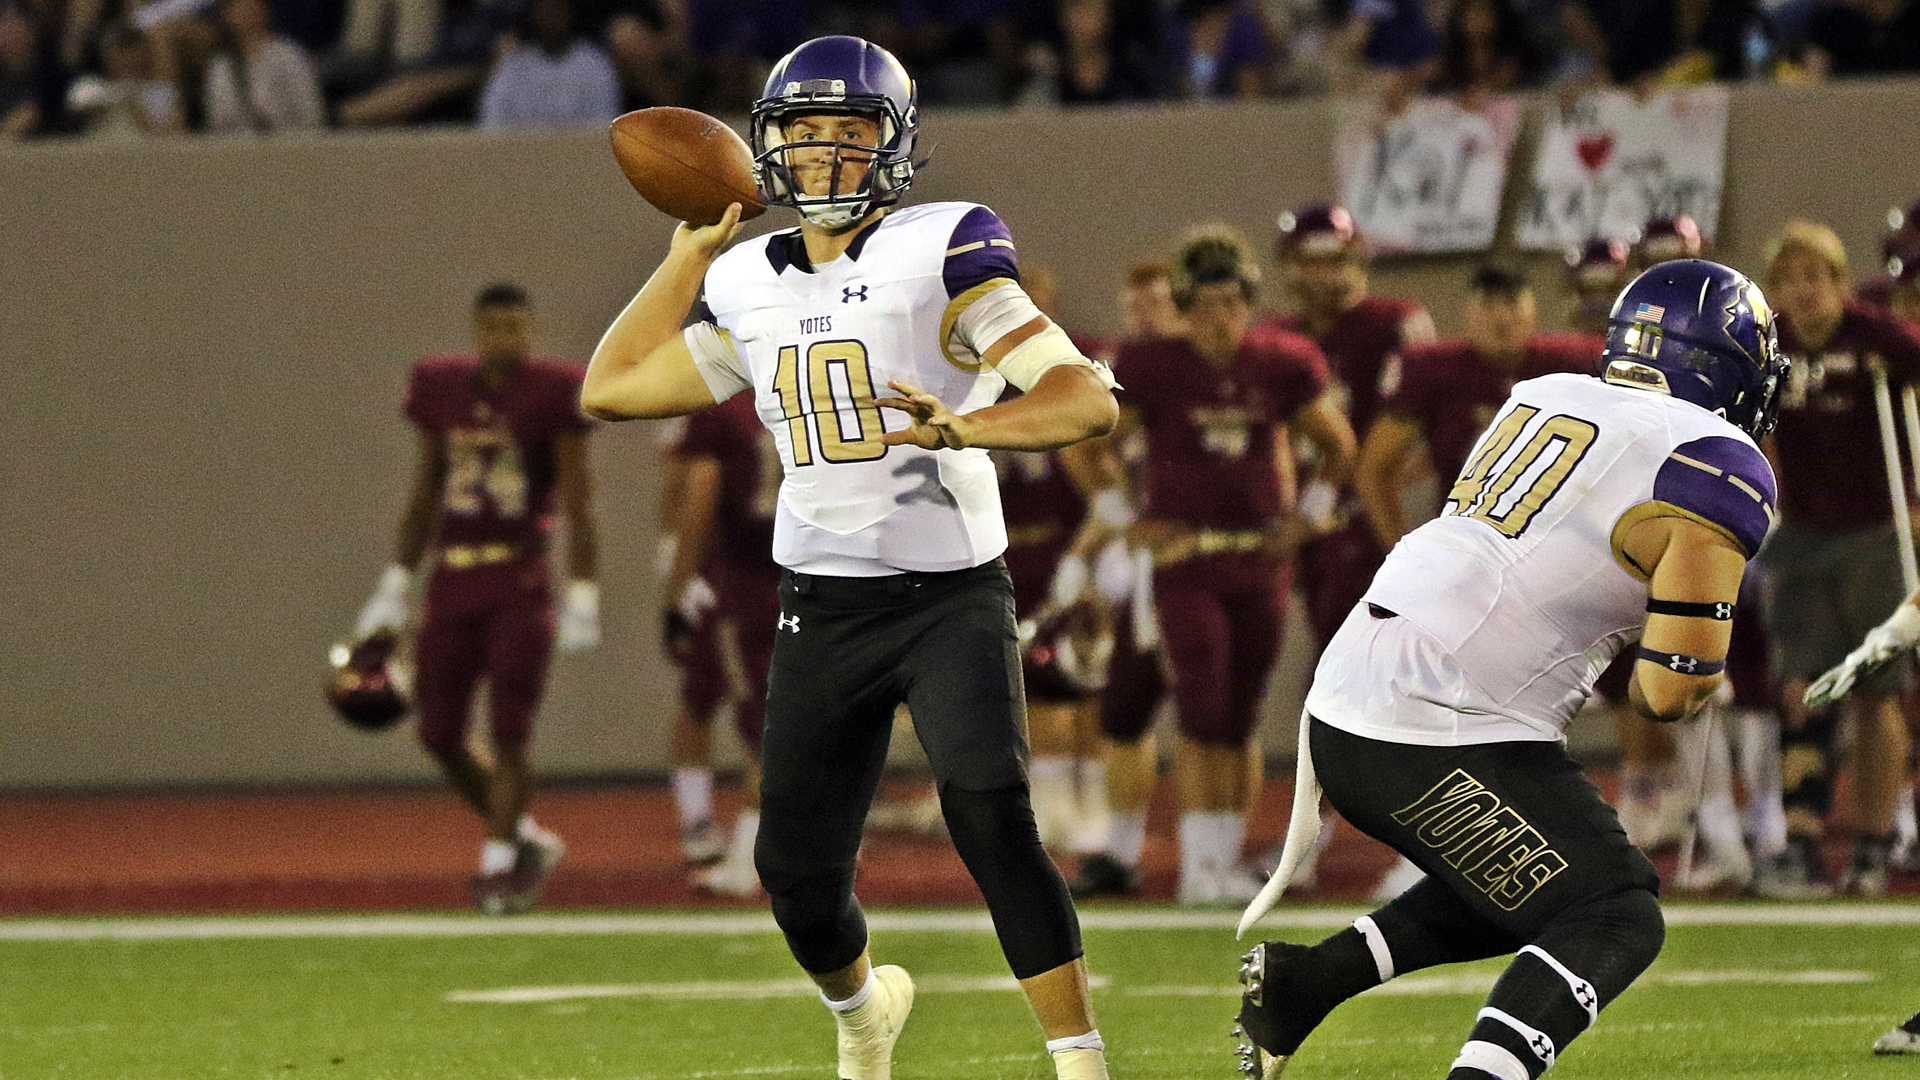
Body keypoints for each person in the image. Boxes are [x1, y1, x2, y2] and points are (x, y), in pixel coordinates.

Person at [578, 35, 1121, 1080]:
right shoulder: (745, 279)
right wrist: (683, 254)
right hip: (823, 605)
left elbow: (1083, 396)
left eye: (850, 131)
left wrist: (967, 428)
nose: (824, 155)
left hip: (950, 592)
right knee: (793, 872)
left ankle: (1080, 1060)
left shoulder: (946, 245)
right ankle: (866, 1008)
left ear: (897, 145)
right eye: (803, 132)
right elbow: (610, 388)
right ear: (764, 145)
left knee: (988, 804)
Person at [1236, 257, 1786, 1080]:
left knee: (1534, 875)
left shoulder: (1547, 391)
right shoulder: (1715, 464)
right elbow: (1666, 691)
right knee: (1615, 911)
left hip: (1358, 687)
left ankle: (1304, 984)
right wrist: (1705, 659)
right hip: (1437, 716)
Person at [1103, 226, 1357, 906]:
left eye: (1231, 303)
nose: (1220, 319)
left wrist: (1311, 512)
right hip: (1188, 557)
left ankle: (1223, 859)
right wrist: (1121, 512)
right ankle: (1199, 866)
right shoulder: (1153, 364)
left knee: (1241, 713)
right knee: (1202, 703)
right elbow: (1089, 444)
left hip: (1257, 559)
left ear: (1249, 301)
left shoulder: (1283, 363)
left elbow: (1338, 445)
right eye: (1205, 305)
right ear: (1183, 308)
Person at [351, 283, 602, 915]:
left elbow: (577, 498)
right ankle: (525, 838)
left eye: (516, 327)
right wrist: (394, 584)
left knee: (510, 728)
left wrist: (582, 588)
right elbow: (425, 489)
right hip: (452, 577)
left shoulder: (551, 392)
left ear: (530, 328)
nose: (505, 340)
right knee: (437, 732)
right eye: (493, 328)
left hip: (518, 578)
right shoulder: (441, 387)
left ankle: (496, 860)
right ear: (476, 330)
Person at [1757, 219, 1920, 897]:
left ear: (1839, 283)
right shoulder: (1768, 350)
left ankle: (1874, 839)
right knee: (1801, 691)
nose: (1804, 291)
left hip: (1876, 535)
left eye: (1816, 277)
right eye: (1790, 279)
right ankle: (1800, 839)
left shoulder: (1877, 338)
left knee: (1879, 690)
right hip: (1800, 536)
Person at [1067, 260, 1189, 900]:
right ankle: (1122, 849)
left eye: (1160, 303)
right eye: (1136, 305)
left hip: (1211, 559)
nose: (1147, 317)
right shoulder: (1121, 371)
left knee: (1215, 716)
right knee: (1126, 710)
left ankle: (1213, 856)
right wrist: (1112, 511)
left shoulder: (1211, 367)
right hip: (1147, 562)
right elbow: (1074, 438)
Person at [1355, 265, 1599, 554]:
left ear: (1533, 310)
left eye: (1510, 303)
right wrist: (1404, 555)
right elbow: (1374, 471)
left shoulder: (1579, 362)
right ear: (1468, 314)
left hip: (1561, 547)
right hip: (1465, 548)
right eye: (1488, 305)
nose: (1501, 318)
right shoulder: (1433, 370)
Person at [658, 391, 782, 895]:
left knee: (762, 721)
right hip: (816, 574)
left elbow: (699, 494)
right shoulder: (813, 390)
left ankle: (756, 853)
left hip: (747, 583)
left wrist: (675, 590)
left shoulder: (724, 413)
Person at [477, 0, 621, 129]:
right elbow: (491, 125)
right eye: (544, 8)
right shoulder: (513, 66)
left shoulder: (595, 65)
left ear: (569, 11)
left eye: (556, 8)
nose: (550, 16)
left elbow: (603, 130)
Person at [203, 0, 324, 132]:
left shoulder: (288, 55)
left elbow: (310, 113)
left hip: (287, 143)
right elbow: (216, 121)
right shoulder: (221, 65)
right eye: (237, 5)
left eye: (252, 5)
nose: (246, 11)